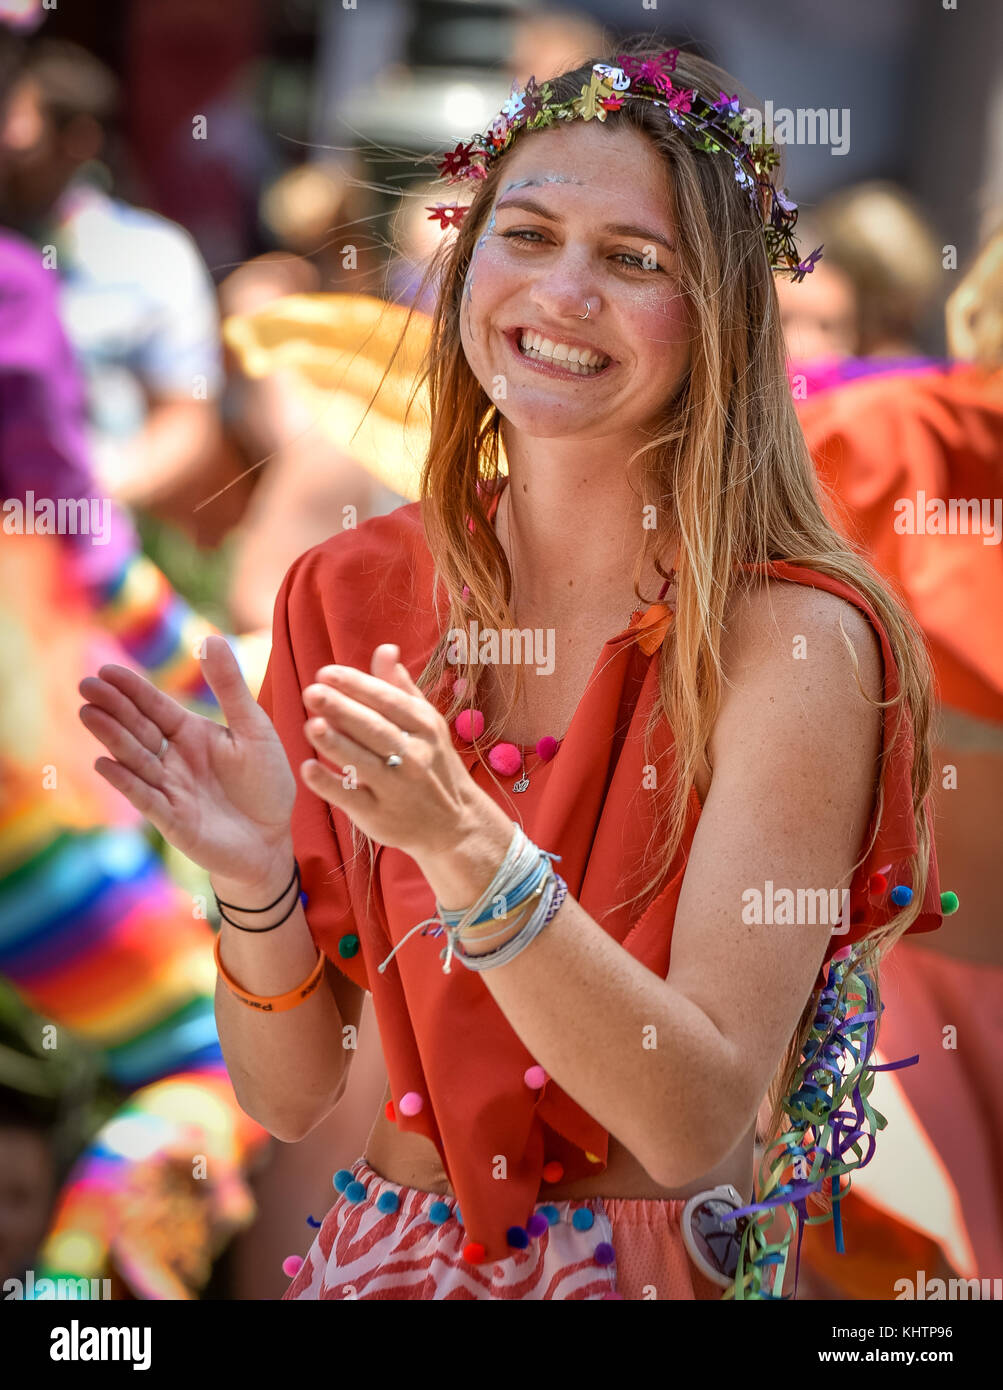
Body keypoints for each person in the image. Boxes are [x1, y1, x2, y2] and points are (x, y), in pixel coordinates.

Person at [78, 43, 946, 1301]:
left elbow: (697, 1119)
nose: (563, 291)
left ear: (725, 317)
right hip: (377, 1261)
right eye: (526, 233)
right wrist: (255, 879)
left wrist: (469, 853)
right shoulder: (348, 587)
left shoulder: (792, 634)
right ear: (464, 256)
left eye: (634, 260)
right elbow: (289, 1092)